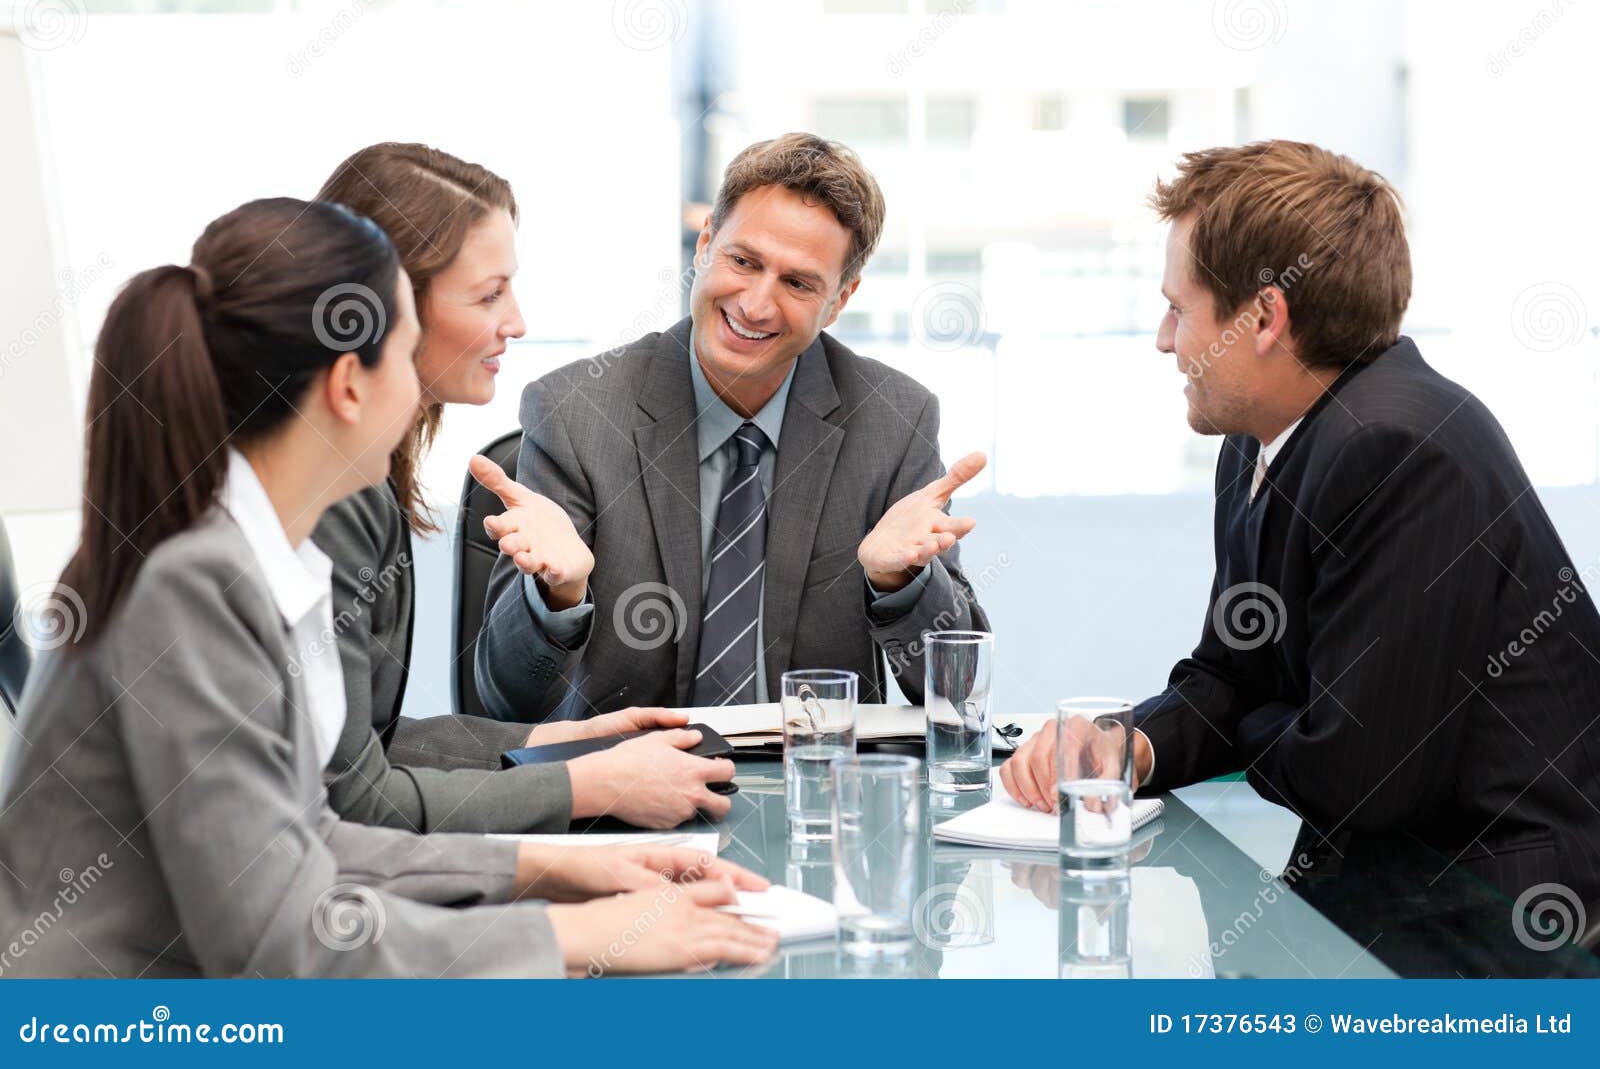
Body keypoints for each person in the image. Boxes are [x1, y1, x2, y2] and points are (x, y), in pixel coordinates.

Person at [0, 198, 776, 976]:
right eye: (406, 357)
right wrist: (579, 936)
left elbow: (312, 840)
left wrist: (569, 870)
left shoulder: (253, 555)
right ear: (348, 385)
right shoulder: (194, 584)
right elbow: (287, 939)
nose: (419, 393)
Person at [1001, 139, 1600, 907]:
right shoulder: (1260, 439)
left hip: (1496, 912)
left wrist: (1250, 717)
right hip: (1381, 884)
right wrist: (1129, 744)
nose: (1163, 339)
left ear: (1263, 318)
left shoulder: (1400, 448)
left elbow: (1359, 778)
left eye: (1178, 309)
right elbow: (1231, 669)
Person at [474, 132, 990, 721]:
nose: (756, 305)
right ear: (705, 245)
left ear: (840, 300)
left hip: (814, 788)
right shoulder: (575, 414)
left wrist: (901, 585)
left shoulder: (892, 419)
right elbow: (508, 700)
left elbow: (961, 696)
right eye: (743, 261)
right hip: (630, 793)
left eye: (798, 283)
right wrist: (556, 596)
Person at [312, 143, 735, 832]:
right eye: (488, 294)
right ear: (391, 307)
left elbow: (360, 745)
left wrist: (547, 745)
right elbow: (349, 800)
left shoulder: (360, 469)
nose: (517, 321)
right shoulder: (328, 492)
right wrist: (587, 786)